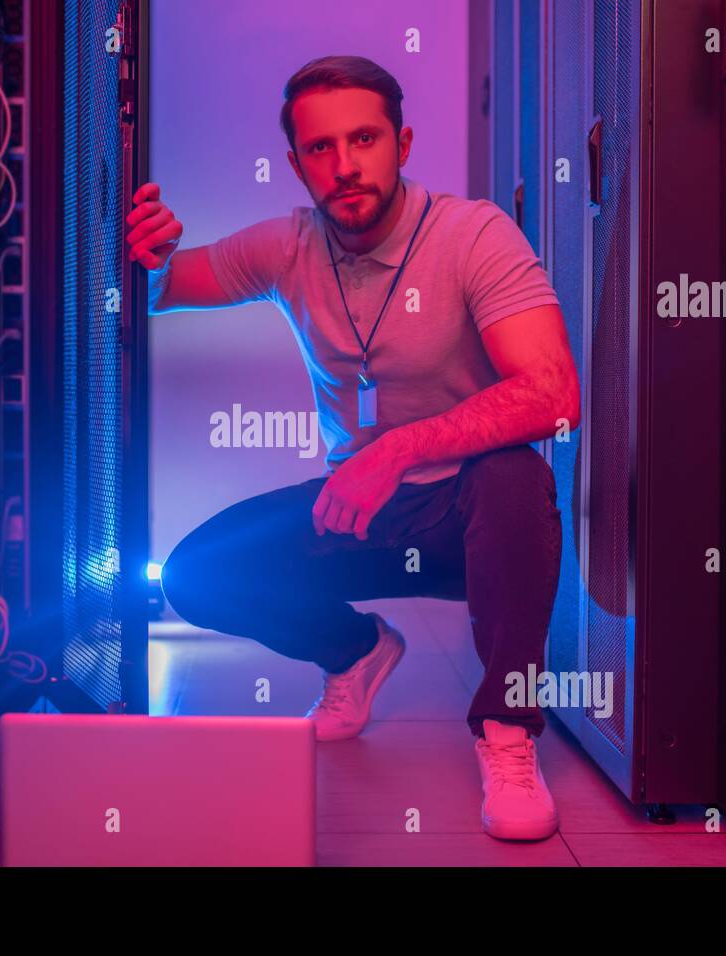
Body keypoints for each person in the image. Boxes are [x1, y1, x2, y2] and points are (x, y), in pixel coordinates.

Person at [124, 55, 578, 842]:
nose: (345, 165)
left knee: (515, 475)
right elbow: (161, 292)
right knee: (196, 575)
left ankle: (508, 733)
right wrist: (149, 255)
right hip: (366, 510)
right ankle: (357, 651)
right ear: (298, 165)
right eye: (321, 149)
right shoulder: (289, 246)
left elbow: (553, 393)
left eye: (363, 139)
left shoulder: (474, 235)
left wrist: (397, 450)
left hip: (471, 519)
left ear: (401, 142)